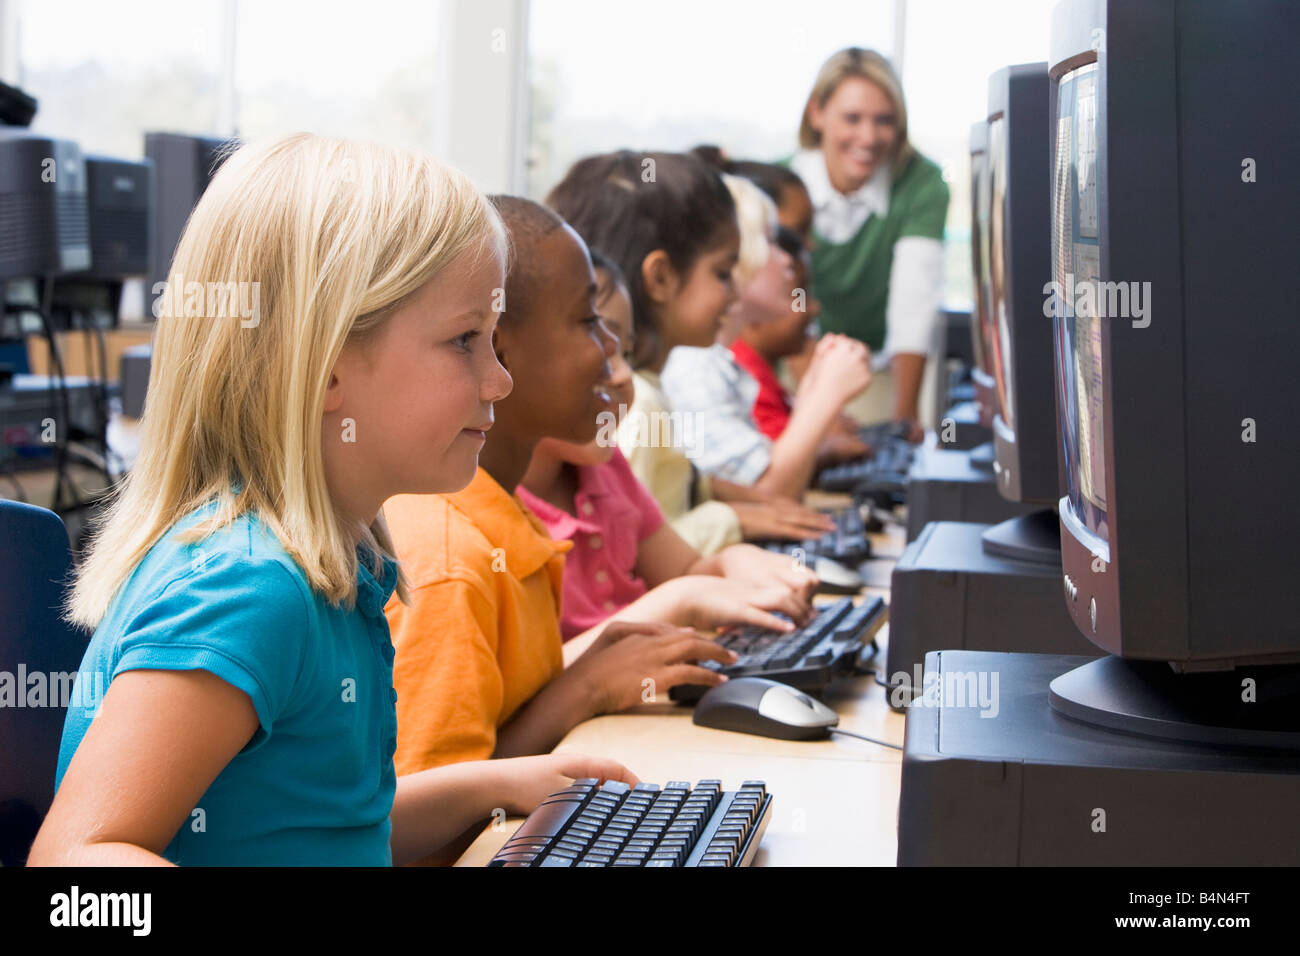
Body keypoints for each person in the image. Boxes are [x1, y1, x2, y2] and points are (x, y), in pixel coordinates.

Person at [28, 134, 636, 867]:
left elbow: (330, 831)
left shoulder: (336, 569)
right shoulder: (246, 587)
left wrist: (494, 786)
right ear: (325, 372)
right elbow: (76, 862)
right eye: (465, 340)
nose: (498, 380)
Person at [382, 197, 808, 778]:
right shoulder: (451, 561)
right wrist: (583, 690)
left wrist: (587, 682)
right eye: (588, 322)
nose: (613, 351)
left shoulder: (510, 520)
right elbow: (432, 823)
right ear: (497, 350)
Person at [517, 252, 819, 640]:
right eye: (602, 356)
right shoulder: (485, 522)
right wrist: (680, 600)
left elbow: (684, 570)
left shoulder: (607, 471)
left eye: (624, 353)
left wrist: (730, 562)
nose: (625, 377)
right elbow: (530, 691)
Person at [546, 150, 835, 552]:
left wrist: (727, 497)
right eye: (722, 273)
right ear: (661, 278)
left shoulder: (649, 390)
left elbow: (665, 494)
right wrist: (730, 519)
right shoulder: (634, 402)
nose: (733, 293)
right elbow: (630, 551)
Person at [661, 174, 872, 497]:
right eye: (771, 241)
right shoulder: (694, 367)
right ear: (734, 256)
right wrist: (826, 394)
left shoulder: (720, 362)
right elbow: (770, 495)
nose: (788, 258)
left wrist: (816, 385)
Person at [790, 47, 950, 437]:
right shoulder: (784, 189)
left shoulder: (922, 184)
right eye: (852, 118)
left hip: (883, 373)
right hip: (797, 375)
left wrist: (905, 420)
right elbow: (787, 310)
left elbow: (912, 305)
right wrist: (822, 416)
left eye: (884, 120)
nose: (868, 136)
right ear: (817, 114)